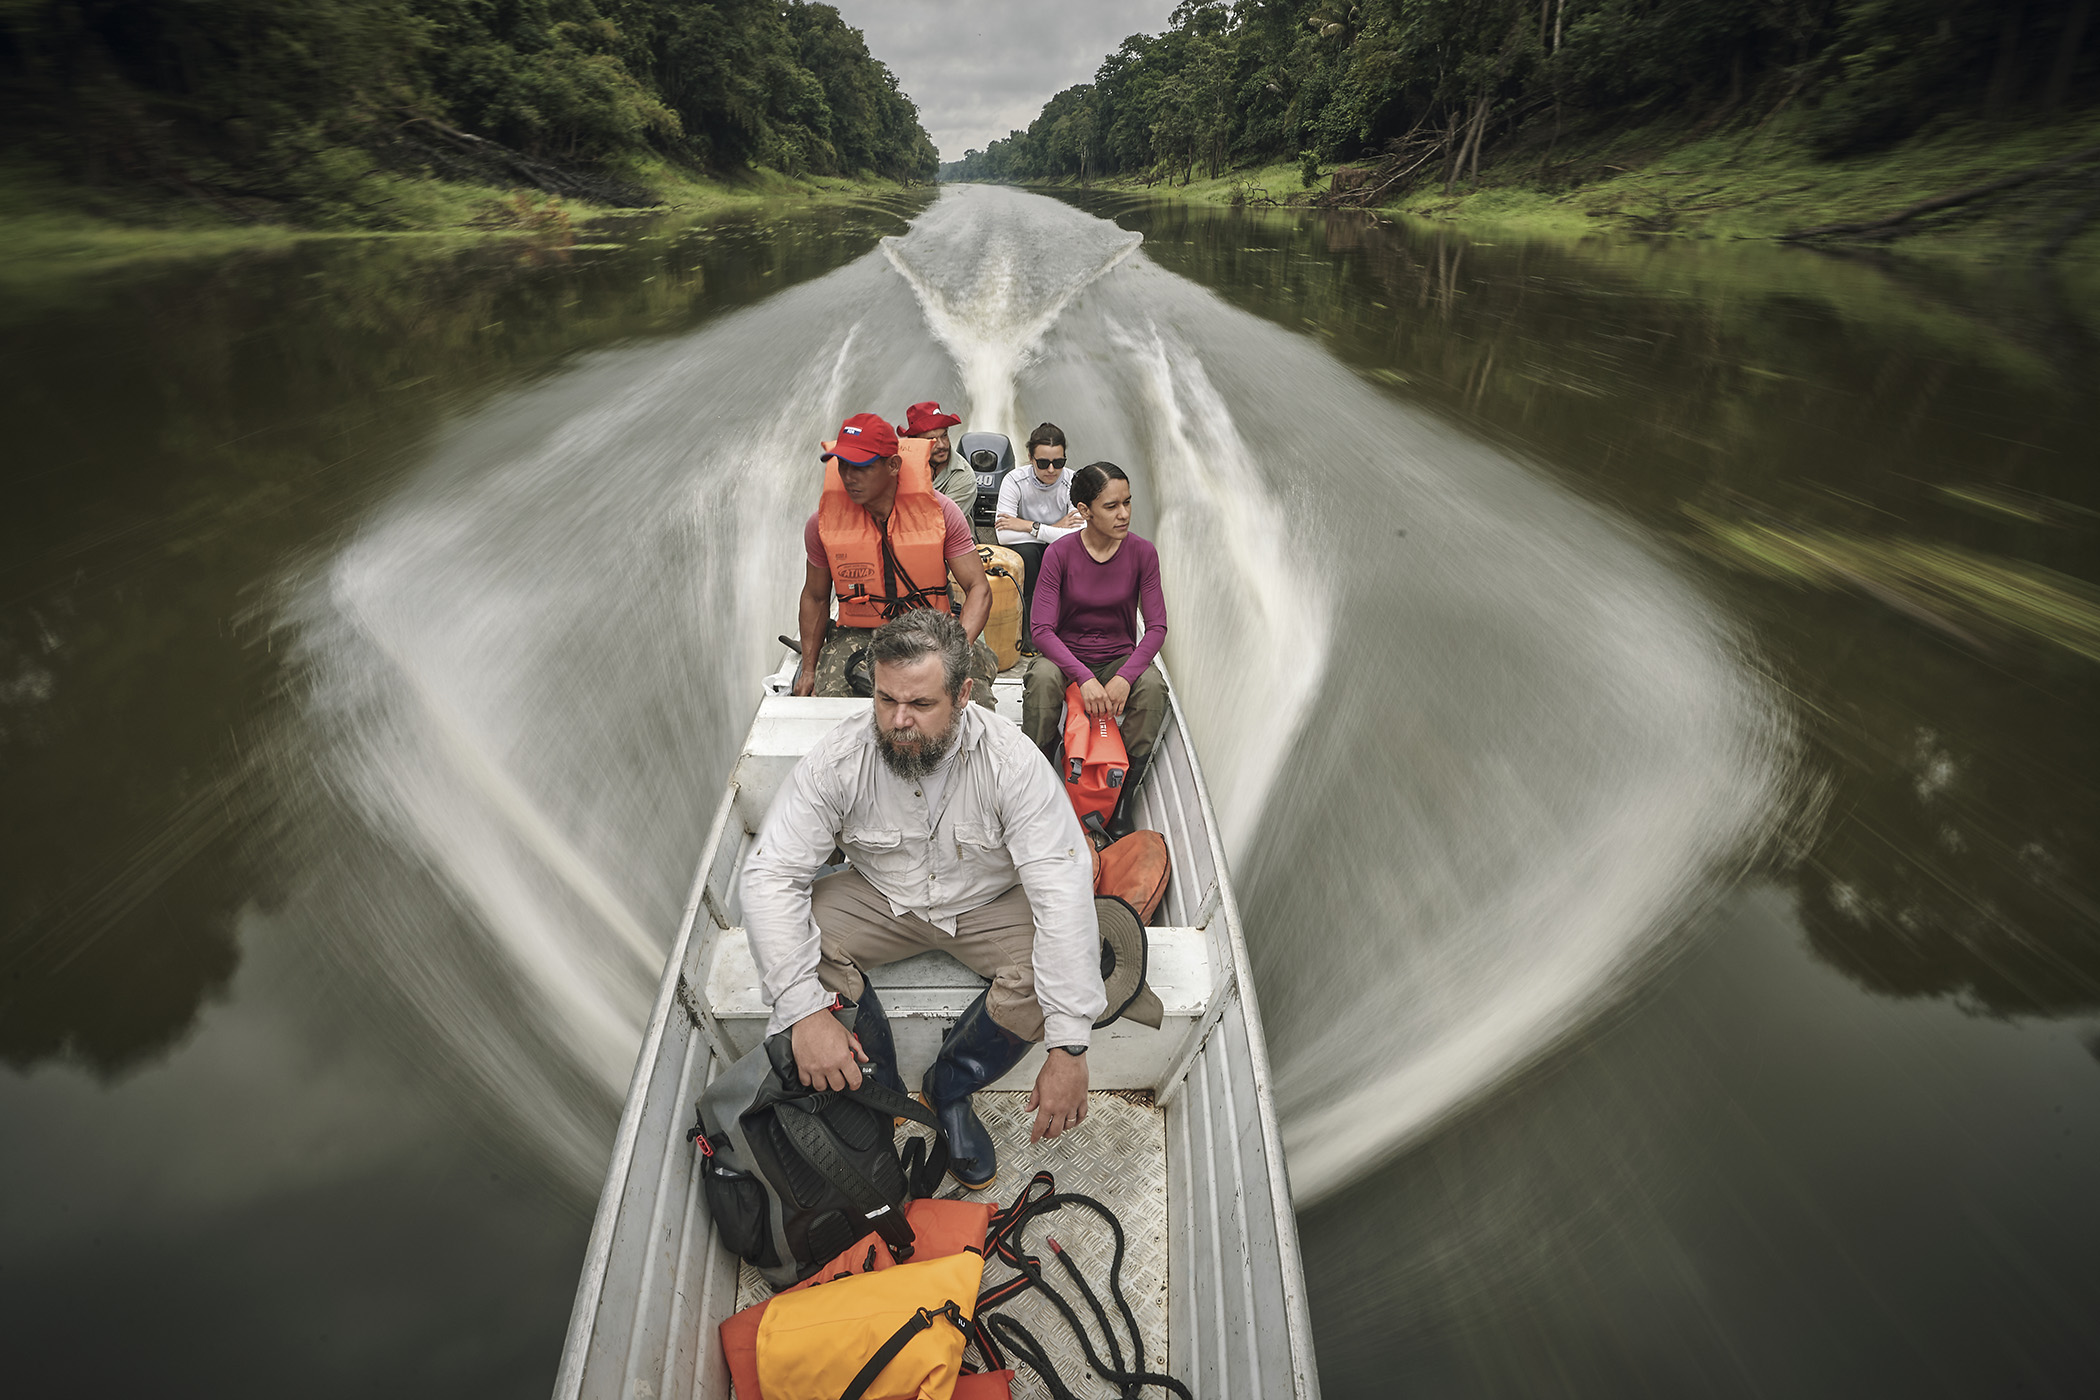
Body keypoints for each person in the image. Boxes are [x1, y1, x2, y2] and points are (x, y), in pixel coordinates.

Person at [743, 608, 1105, 1190]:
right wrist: (803, 1012)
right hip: (882, 899)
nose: (898, 722)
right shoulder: (840, 761)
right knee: (794, 933)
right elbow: (769, 876)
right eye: (886, 701)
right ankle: (875, 1095)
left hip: (986, 904)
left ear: (963, 695)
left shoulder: (1012, 764)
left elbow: (1061, 892)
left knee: (1066, 966)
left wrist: (1068, 1047)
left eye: (920, 705)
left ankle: (951, 1087)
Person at [795, 412, 997, 706]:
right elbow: (814, 597)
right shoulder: (821, 524)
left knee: (970, 700)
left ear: (893, 465)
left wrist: (954, 654)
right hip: (861, 633)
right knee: (835, 704)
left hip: (933, 630)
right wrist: (809, 670)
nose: (849, 477)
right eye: (843, 465)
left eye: (861, 467)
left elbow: (978, 588)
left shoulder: (943, 514)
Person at [1022, 462, 1168, 840]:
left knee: (1152, 689)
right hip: (1067, 656)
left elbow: (1156, 628)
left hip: (1118, 657)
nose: (1124, 514)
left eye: (1128, 502)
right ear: (1084, 511)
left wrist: (1124, 678)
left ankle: (1123, 799)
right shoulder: (1060, 554)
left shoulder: (1142, 554)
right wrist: (1083, 678)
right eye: (1111, 506)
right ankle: (1038, 781)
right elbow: (1040, 630)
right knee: (1040, 678)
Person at [993, 423, 1084, 652]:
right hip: (1027, 549)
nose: (1051, 469)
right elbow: (1004, 534)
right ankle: (1029, 634)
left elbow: (1078, 534)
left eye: (1059, 462)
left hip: (1055, 546)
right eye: (1043, 463)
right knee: (1029, 556)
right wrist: (1055, 528)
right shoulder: (1014, 480)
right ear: (1030, 458)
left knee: (1066, 554)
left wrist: (1030, 526)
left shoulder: (1073, 482)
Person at [901, 400, 978, 515]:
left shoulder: (963, 476)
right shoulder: (899, 467)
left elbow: (939, 522)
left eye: (944, 435)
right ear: (914, 441)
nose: (942, 445)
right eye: (931, 439)